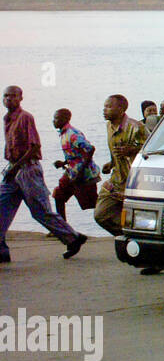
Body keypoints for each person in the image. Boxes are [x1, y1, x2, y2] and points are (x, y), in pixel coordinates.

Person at [1, 86, 87, 262]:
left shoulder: (26, 117)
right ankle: (1, 251)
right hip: (13, 170)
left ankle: (73, 237)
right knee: (2, 206)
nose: (9, 99)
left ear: (20, 98)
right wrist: (11, 168)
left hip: (28, 170)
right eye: (6, 96)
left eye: (13, 96)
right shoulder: (7, 118)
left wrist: (16, 167)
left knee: (40, 210)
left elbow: (35, 147)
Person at [94, 94, 148, 236]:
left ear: (121, 109)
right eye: (104, 106)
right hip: (117, 180)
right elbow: (115, 149)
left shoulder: (136, 127)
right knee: (101, 214)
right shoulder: (109, 126)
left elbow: (152, 150)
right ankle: (129, 236)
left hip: (135, 182)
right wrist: (111, 163)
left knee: (140, 216)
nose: (104, 110)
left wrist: (132, 150)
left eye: (109, 106)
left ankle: (138, 238)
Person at [51, 108, 100, 221]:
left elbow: (90, 149)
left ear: (65, 119)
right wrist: (63, 163)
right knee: (58, 195)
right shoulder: (63, 134)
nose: (54, 121)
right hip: (71, 173)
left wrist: (81, 171)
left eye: (56, 118)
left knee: (92, 203)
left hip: (83, 175)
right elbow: (76, 154)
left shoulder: (72, 134)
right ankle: (63, 227)